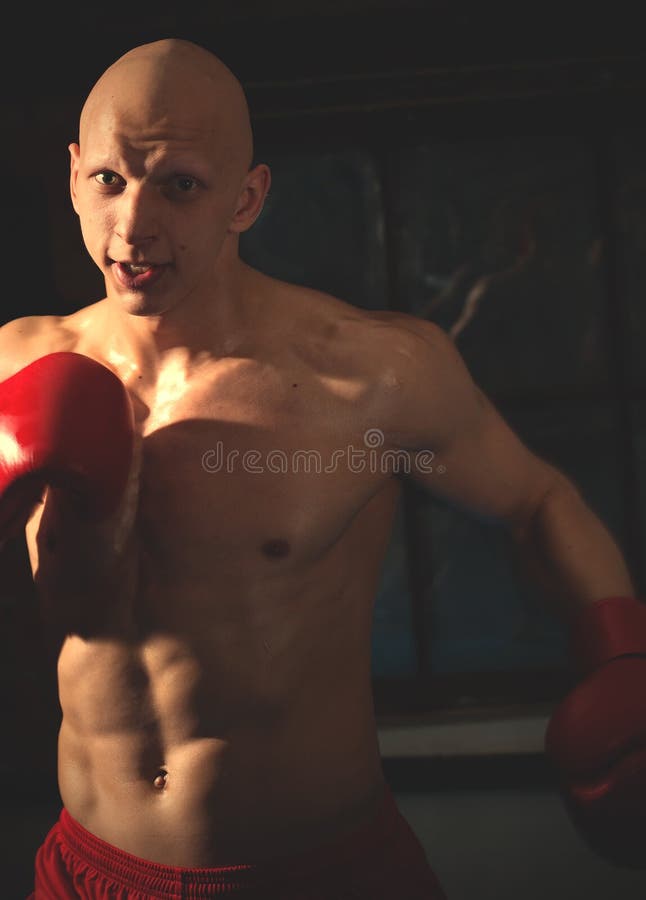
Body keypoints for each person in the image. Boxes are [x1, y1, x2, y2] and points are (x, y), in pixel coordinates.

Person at [0, 37, 644, 899]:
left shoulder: (370, 378)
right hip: (89, 868)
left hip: (321, 871)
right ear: (75, 172)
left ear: (247, 198)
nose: (134, 226)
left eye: (181, 184)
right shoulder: (14, 365)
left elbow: (536, 500)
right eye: (110, 180)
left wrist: (620, 655)